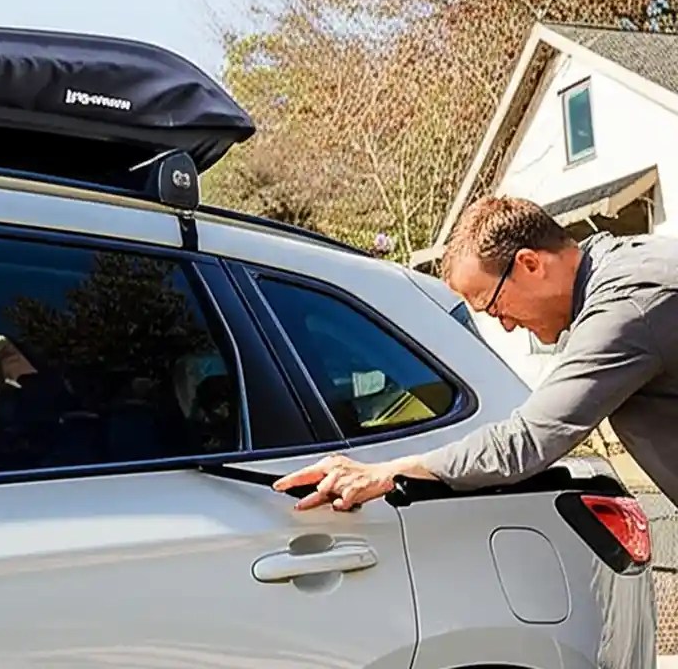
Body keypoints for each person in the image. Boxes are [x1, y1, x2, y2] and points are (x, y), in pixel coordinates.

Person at [273, 196, 678, 511]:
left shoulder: (624, 308)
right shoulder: (628, 264)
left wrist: (383, 473)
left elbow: (526, 441)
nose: (505, 324)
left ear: (530, 264)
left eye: (496, 305)